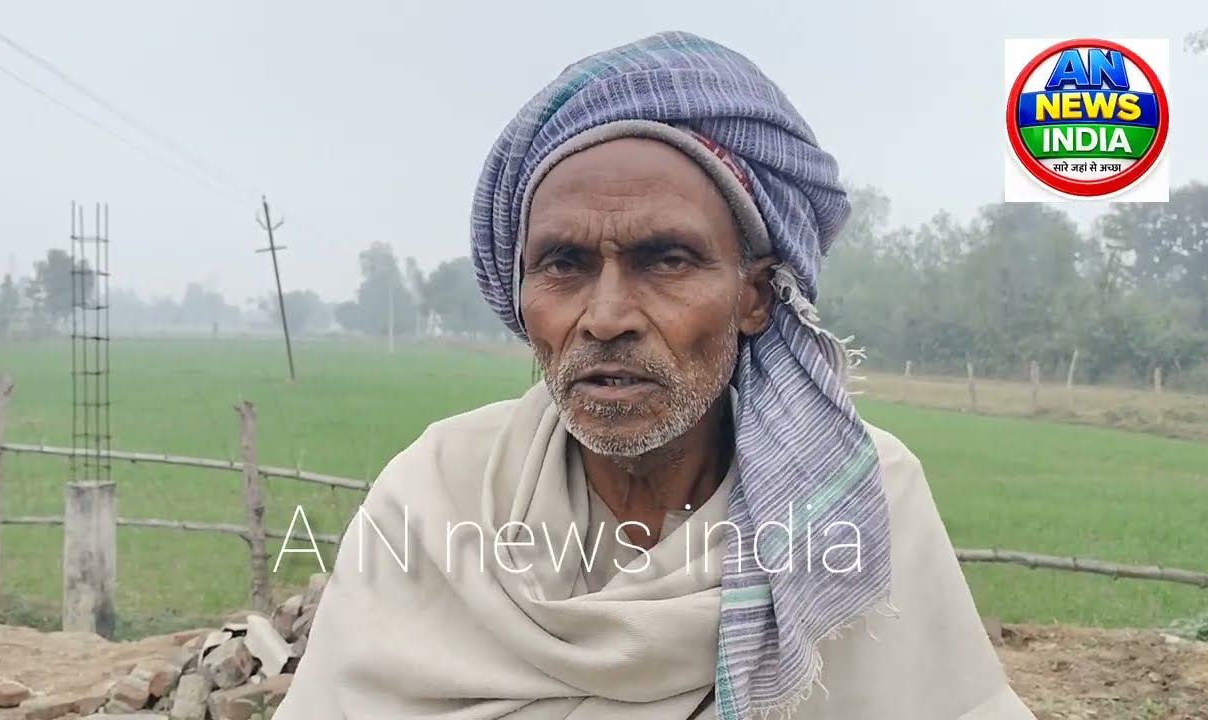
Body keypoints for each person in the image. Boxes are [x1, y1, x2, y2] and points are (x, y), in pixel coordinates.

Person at [275, 31, 1036, 720]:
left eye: (666, 259)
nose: (607, 316)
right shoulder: (435, 491)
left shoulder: (860, 497)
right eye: (563, 264)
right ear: (522, 297)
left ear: (752, 295)